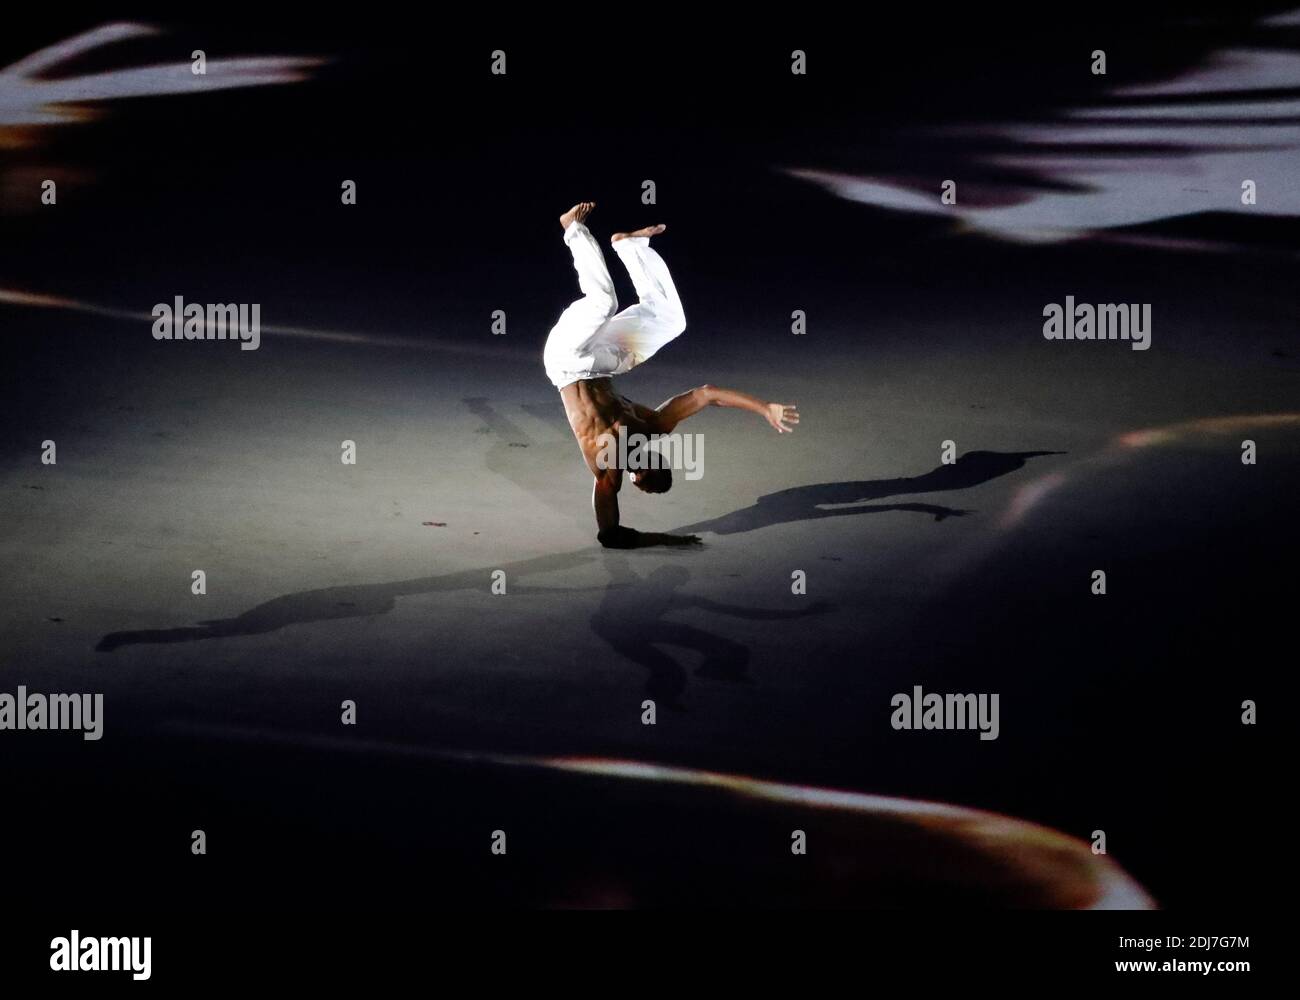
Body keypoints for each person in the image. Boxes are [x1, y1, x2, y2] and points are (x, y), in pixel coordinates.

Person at [544, 202, 799, 548]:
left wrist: (668, 539)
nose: (638, 477)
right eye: (648, 477)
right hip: (601, 362)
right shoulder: (651, 425)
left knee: (603, 302)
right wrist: (764, 408)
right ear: (649, 463)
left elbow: (611, 535)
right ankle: (626, 246)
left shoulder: (607, 464)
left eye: (642, 483)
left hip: (565, 362)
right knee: (670, 321)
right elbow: (707, 395)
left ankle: (575, 230)